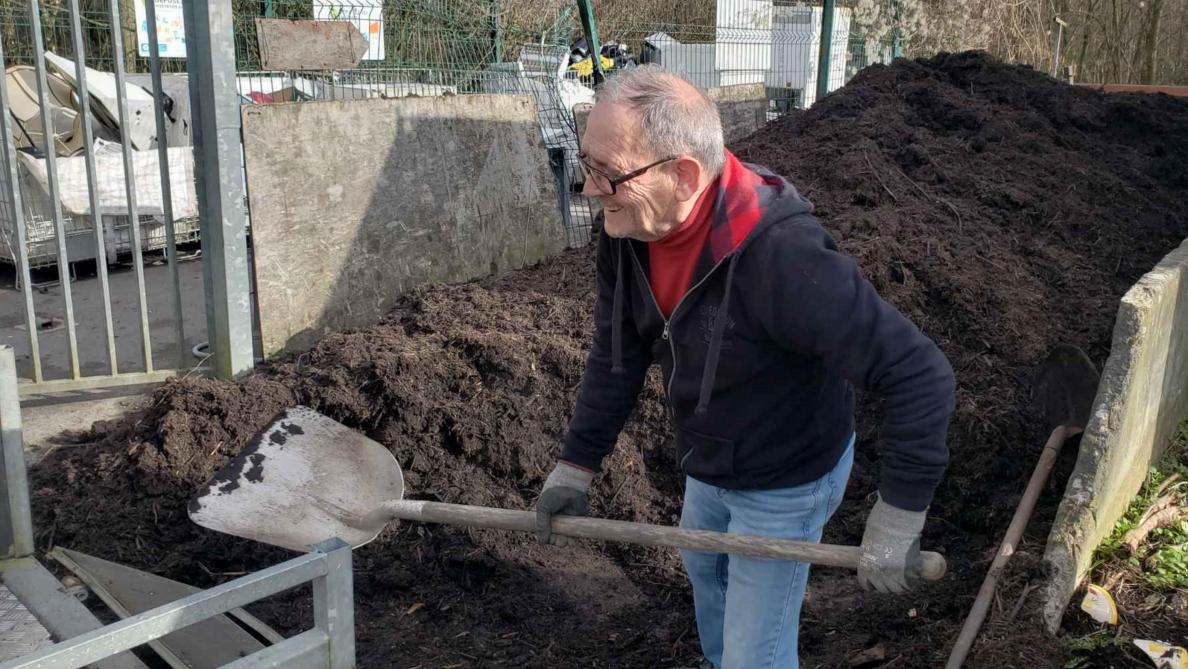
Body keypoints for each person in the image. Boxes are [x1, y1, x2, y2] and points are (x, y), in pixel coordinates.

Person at [535, 65, 956, 669]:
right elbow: (616, 354)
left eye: (608, 173)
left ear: (683, 175)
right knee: (707, 575)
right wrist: (575, 466)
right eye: (587, 164)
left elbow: (920, 374)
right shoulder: (629, 229)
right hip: (708, 460)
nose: (589, 189)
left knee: (755, 652)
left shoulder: (784, 258)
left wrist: (898, 517)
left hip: (785, 477)